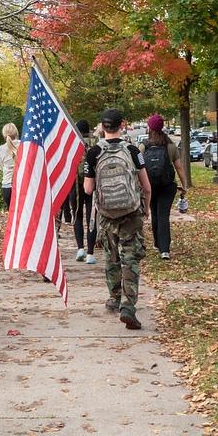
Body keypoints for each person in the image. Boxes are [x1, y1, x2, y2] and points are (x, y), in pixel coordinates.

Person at [83, 108, 151, 330]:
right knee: (130, 259)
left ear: (102, 127)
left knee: (111, 257)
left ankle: (114, 297)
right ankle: (128, 306)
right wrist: (146, 209)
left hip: (107, 215)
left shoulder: (92, 153)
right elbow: (146, 186)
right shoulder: (133, 150)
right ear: (122, 124)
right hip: (131, 214)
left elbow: (88, 188)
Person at [140, 114, 189, 260]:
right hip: (167, 186)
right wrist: (184, 184)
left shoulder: (143, 146)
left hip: (150, 185)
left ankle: (157, 244)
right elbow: (179, 167)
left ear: (149, 127)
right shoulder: (171, 146)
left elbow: (138, 167)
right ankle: (164, 249)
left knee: (154, 213)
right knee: (163, 215)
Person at [71, 120, 97, 264]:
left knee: (77, 216)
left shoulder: (72, 143)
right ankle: (90, 253)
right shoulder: (95, 144)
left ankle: (80, 248)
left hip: (75, 185)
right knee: (91, 217)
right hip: (92, 184)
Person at [0, 123, 19, 208]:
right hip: (23, 186)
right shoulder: (24, 145)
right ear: (16, 133)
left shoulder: (1, 149)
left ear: (4, 134)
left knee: (13, 218)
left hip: (7, 187)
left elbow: (1, 167)